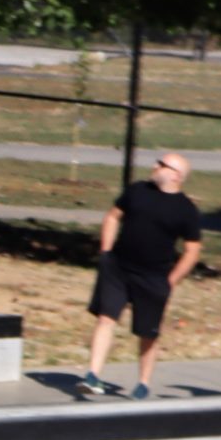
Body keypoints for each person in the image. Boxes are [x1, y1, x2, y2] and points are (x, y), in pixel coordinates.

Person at [80, 153, 201, 400]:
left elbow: (192, 251)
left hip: (154, 277)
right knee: (106, 318)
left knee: (148, 333)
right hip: (118, 268)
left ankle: (143, 382)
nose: (155, 166)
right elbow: (113, 217)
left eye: (161, 164)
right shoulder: (137, 191)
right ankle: (92, 374)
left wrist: (172, 280)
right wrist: (106, 252)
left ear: (176, 175)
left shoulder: (186, 210)